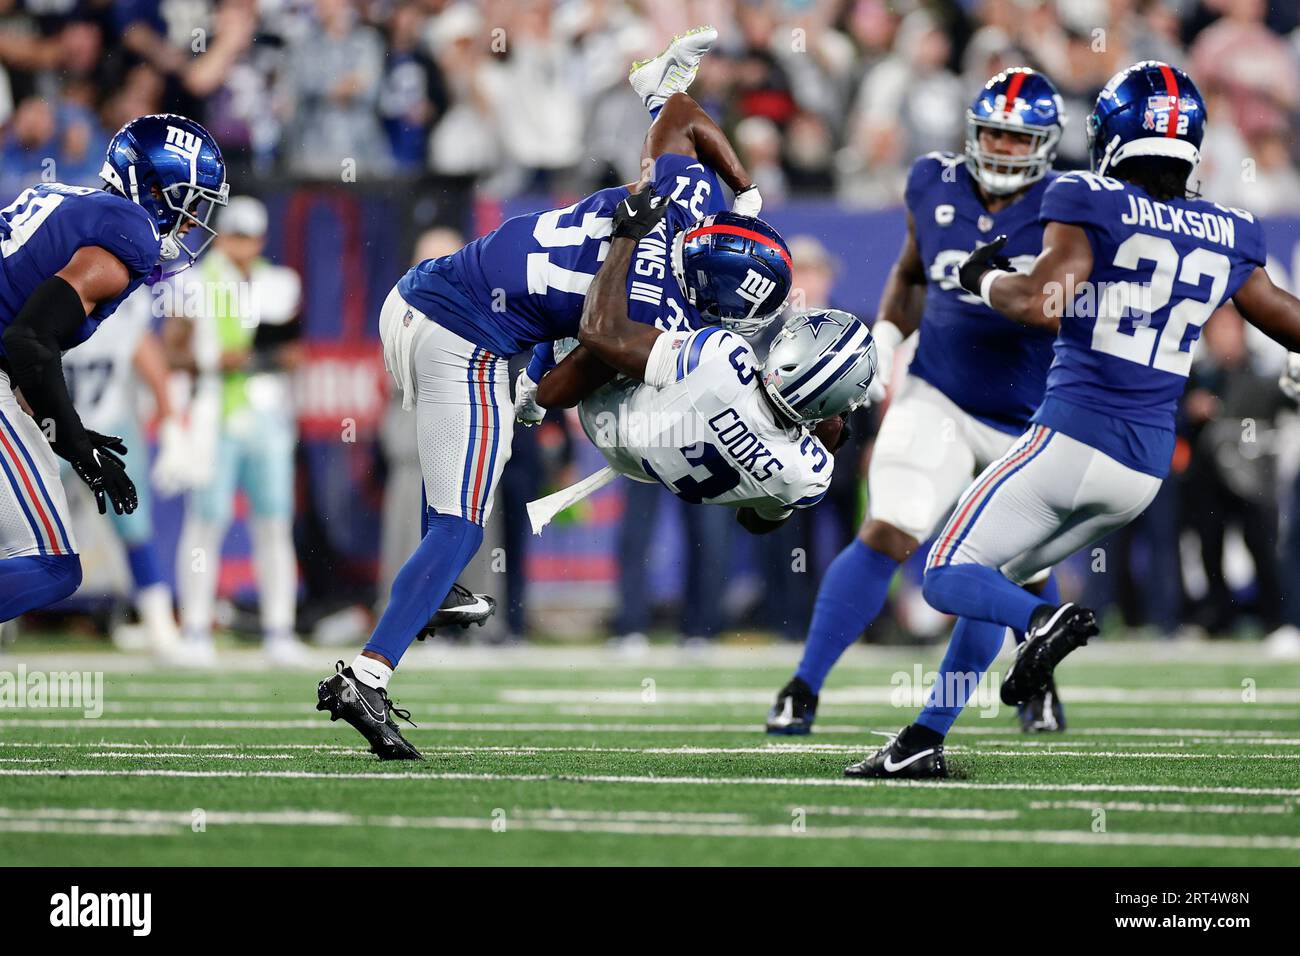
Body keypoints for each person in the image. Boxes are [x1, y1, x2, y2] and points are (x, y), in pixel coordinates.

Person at [316, 31, 791, 760]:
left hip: (425, 295)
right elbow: (588, 357)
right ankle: (366, 675)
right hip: (461, 336)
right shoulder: (658, 319)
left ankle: (433, 594)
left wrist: (747, 186)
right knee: (463, 525)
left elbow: (685, 114)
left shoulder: (684, 196)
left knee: (470, 470)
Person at [858, 60, 1300, 780]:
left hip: (1073, 436)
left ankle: (1041, 621)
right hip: (1144, 466)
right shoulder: (1228, 228)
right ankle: (921, 739)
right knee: (992, 578)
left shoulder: (1088, 196)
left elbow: (1040, 303)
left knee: (944, 570)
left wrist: (982, 277)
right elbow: (1287, 319)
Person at [766, 69, 1070, 738]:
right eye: (992, 132)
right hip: (938, 392)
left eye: (1018, 139)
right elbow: (910, 272)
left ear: (1044, 145)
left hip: (1030, 416)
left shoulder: (1067, 208)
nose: (1001, 148)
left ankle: (1034, 684)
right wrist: (885, 337)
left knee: (1012, 568)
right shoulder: (934, 181)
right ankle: (803, 686)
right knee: (890, 526)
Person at [0, 113, 226, 622]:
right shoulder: (130, 232)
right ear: (154, 186)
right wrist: (77, 445)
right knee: (50, 564)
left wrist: (61, 429)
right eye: (190, 202)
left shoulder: (69, 197)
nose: (193, 221)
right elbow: (28, 339)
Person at [164, 197, 307, 666]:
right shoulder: (193, 282)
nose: (240, 245)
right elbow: (172, 354)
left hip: (266, 411)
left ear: (261, 239)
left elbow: (294, 351)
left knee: (273, 524)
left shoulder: (279, 283)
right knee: (206, 522)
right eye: (233, 234)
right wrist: (216, 360)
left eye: (249, 236)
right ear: (221, 234)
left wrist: (275, 355)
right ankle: (196, 629)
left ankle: (279, 629)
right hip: (214, 411)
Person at [60, 284, 186, 657]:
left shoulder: (127, 305)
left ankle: (160, 625)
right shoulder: (41, 292)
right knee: (14, 523)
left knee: (134, 523)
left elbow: (148, 359)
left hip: (107, 425)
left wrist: (171, 427)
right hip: (47, 425)